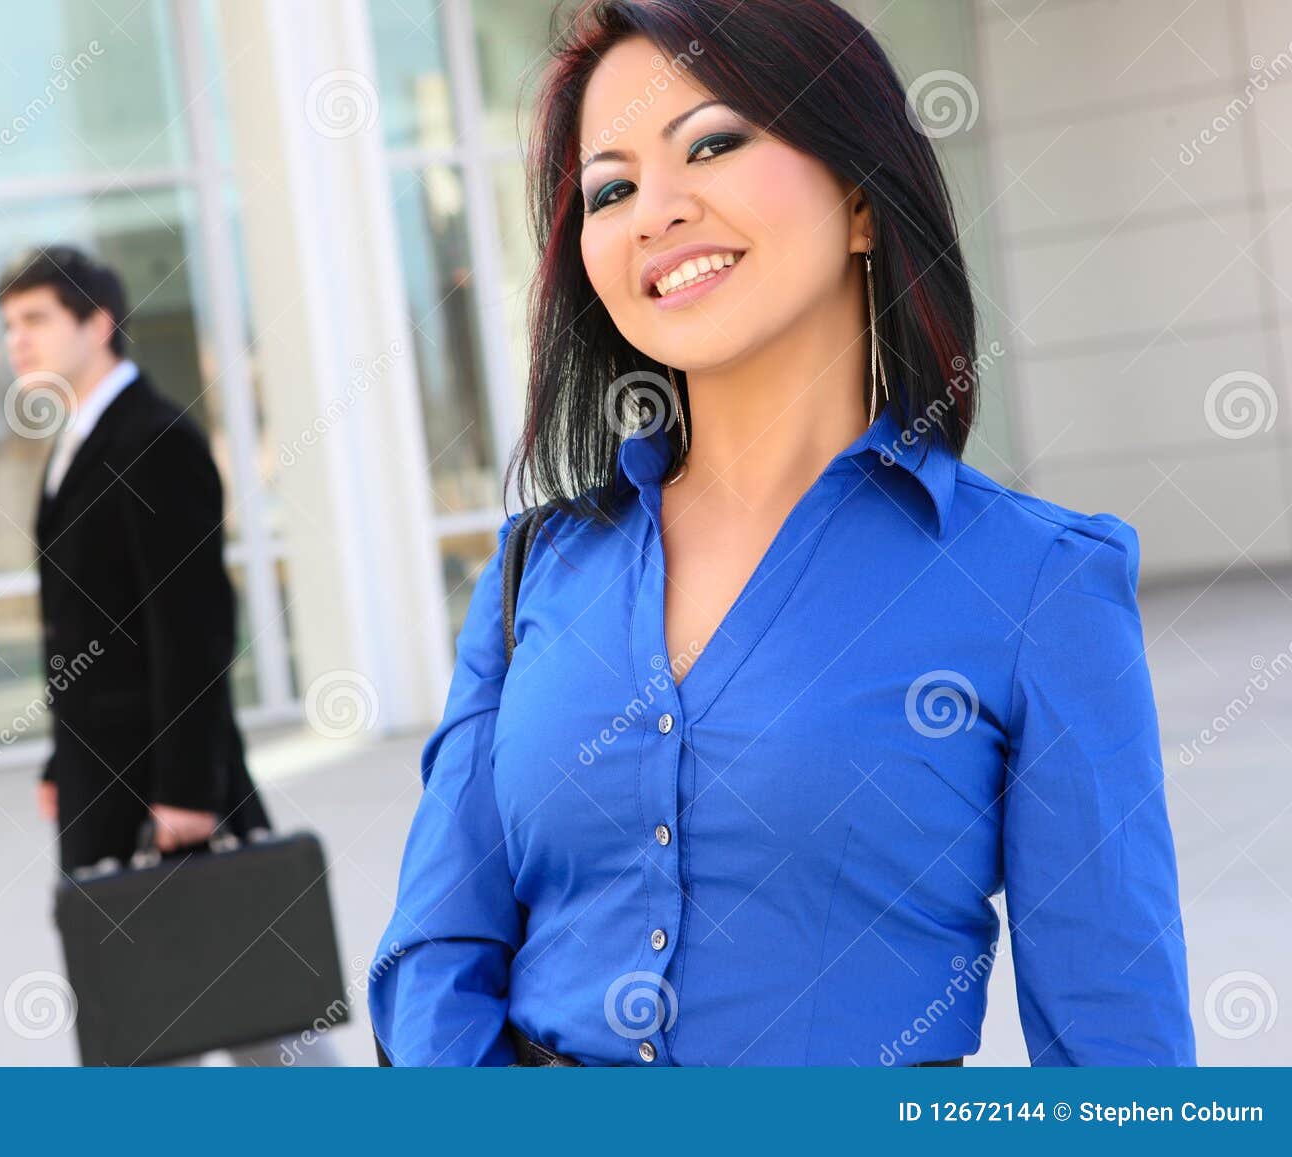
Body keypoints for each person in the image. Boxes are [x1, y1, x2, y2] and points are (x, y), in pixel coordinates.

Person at [369, 0, 1195, 1067]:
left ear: (859, 197)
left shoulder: (1037, 584)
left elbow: (1115, 1051)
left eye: (711, 143)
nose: (653, 211)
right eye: (609, 188)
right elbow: (436, 948)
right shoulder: (536, 571)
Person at [0, 246, 332, 1067]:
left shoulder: (156, 441)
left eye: (36, 318)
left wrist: (186, 789)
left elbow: (192, 628)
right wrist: (60, 757)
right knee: (147, 1013)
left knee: (247, 1007)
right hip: (103, 779)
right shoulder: (77, 442)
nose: (18, 340)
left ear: (100, 323)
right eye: (9, 325)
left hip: (166, 789)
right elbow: (90, 631)